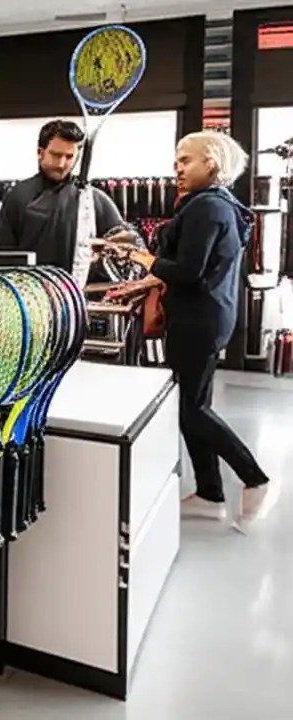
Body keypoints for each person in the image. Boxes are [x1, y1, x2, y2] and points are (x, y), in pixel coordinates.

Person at [106, 130, 271, 524]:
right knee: (194, 405)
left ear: (211, 163)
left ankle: (254, 478)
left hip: (197, 320)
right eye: (177, 160)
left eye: (186, 160)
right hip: (208, 316)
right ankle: (210, 491)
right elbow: (204, 265)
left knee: (189, 408)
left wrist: (141, 258)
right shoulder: (217, 205)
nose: (177, 168)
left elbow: (188, 272)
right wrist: (145, 281)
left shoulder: (205, 208)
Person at [0, 119, 140, 270]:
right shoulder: (18, 196)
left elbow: (127, 241)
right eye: (56, 155)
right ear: (40, 152)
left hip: (78, 301)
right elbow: (1, 256)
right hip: (26, 300)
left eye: (69, 157)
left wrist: (113, 248)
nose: (62, 163)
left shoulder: (93, 199)